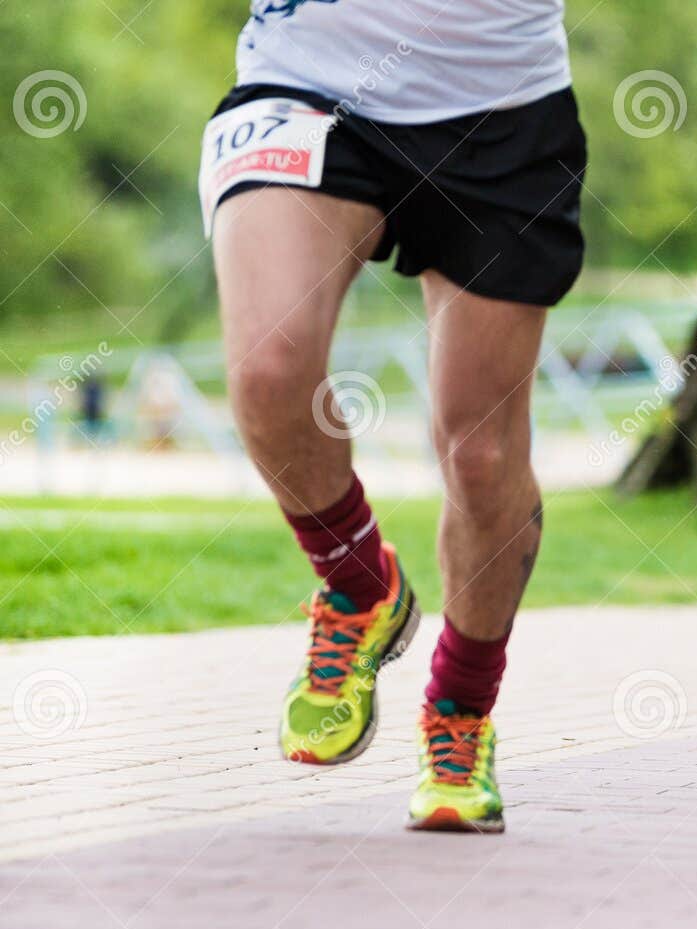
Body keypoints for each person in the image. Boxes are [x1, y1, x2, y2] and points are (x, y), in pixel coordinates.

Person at [203, 0, 585, 832]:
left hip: (501, 104)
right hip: (304, 76)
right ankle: (357, 583)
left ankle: (460, 713)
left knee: (481, 457)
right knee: (268, 370)